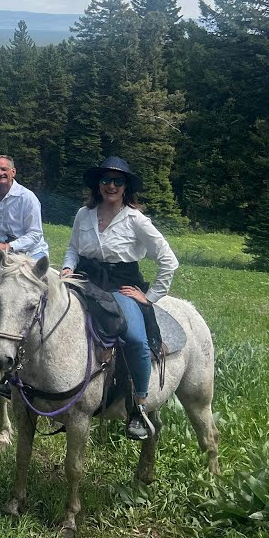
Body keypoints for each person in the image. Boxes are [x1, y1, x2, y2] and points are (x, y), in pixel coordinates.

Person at [61, 156, 179, 441]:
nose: (111, 186)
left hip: (120, 285)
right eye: (106, 180)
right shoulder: (83, 214)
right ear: (98, 184)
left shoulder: (136, 220)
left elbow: (168, 260)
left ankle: (138, 406)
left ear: (126, 187)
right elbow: (73, 248)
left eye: (118, 181)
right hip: (85, 279)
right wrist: (67, 267)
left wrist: (149, 297)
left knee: (136, 339)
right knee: (47, 313)